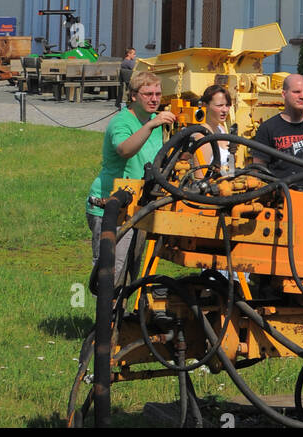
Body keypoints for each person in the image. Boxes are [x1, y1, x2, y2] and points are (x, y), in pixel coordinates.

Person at [86, 69, 175, 283]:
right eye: (148, 94)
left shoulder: (155, 122)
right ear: (133, 95)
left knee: (131, 273)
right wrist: (151, 124)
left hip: (139, 206)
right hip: (111, 206)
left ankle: (122, 315)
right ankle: (106, 315)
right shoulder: (123, 122)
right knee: (111, 273)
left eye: (157, 94)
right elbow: (125, 150)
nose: (154, 99)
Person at [252, 73, 303, 181]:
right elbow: (258, 168)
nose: (302, 96)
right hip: (280, 194)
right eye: (296, 92)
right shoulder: (267, 128)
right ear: (284, 94)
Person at [191, 84, 234, 172]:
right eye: (219, 105)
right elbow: (200, 177)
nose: (225, 110)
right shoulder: (202, 136)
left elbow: (230, 170)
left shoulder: (222, 129)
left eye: (227, 105)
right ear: (205, 105)